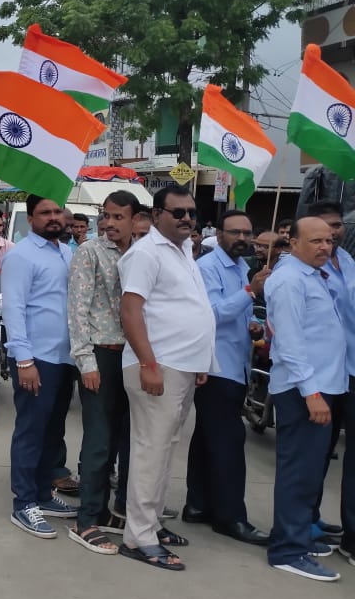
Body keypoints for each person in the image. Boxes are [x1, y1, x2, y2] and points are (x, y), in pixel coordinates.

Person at [117, 185, 215, 570]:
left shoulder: (185, 250)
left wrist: (201, 360)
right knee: (149, 452)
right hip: (158, 366)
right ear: (156, 215)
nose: (187, 218)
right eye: (178, 212)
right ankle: (138, 538)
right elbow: (130, 311)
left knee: (165, 449)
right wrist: (148, 364)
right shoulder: (145, 253)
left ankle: (152, 524)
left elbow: (190, 308)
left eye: (191, 212)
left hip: (183, 366)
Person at [265, 217, 347, 582]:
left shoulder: (313, 275)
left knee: (310, 472)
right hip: (304, 390)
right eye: (315, 241)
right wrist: (311, 393)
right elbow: (291, 344)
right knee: (299, 472)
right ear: (292, 242)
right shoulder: (288, 281)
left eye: (328, 241)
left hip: (324, 385)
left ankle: (296, 536)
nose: (324, 247)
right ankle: (288, 550)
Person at [184, 210, 270, 545]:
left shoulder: (239, 267)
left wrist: (253, 324)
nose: (243, 239)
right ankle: (231, 516)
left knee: (208, 438)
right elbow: (211, 315)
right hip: (216, 368)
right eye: (235, 233)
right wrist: (250, 292)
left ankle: (199, 504)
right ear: (218, 233)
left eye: (248, 233)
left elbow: (236, 315)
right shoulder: (207, 268)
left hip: (236, 365)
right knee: (229, 443)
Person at [65, 190, 138, 553]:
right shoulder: (89, 252)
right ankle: (87, 520)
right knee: (98, 439)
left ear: (134, 219)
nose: (109, 223)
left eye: (117, 217)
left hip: (133, 358)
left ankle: (106, 509)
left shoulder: (141, 254)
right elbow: (77, 311)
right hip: (101, 355)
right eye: (105, 215)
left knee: (121, 439)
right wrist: (86, 361)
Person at [3, 195, 78, 538]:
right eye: (45, 212)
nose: (53, 217)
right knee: (31, 431)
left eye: (57, 211)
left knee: (53, 430)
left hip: (65, 357)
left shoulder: (66, 251)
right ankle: (24, 503)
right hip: (37, 359)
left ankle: (45, 494)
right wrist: (24, 360)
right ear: (31, 217)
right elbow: (14, 309)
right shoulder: (21, 255)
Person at [304, 201, 352, 543]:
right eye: (324, 227)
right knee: (315, 453)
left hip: (350, 370)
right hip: (322, 372)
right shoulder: (303, 270)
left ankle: (346, 530)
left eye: (336, 226)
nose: (331, 233)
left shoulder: (347, 261)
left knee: (340, 453)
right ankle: (304, 520)